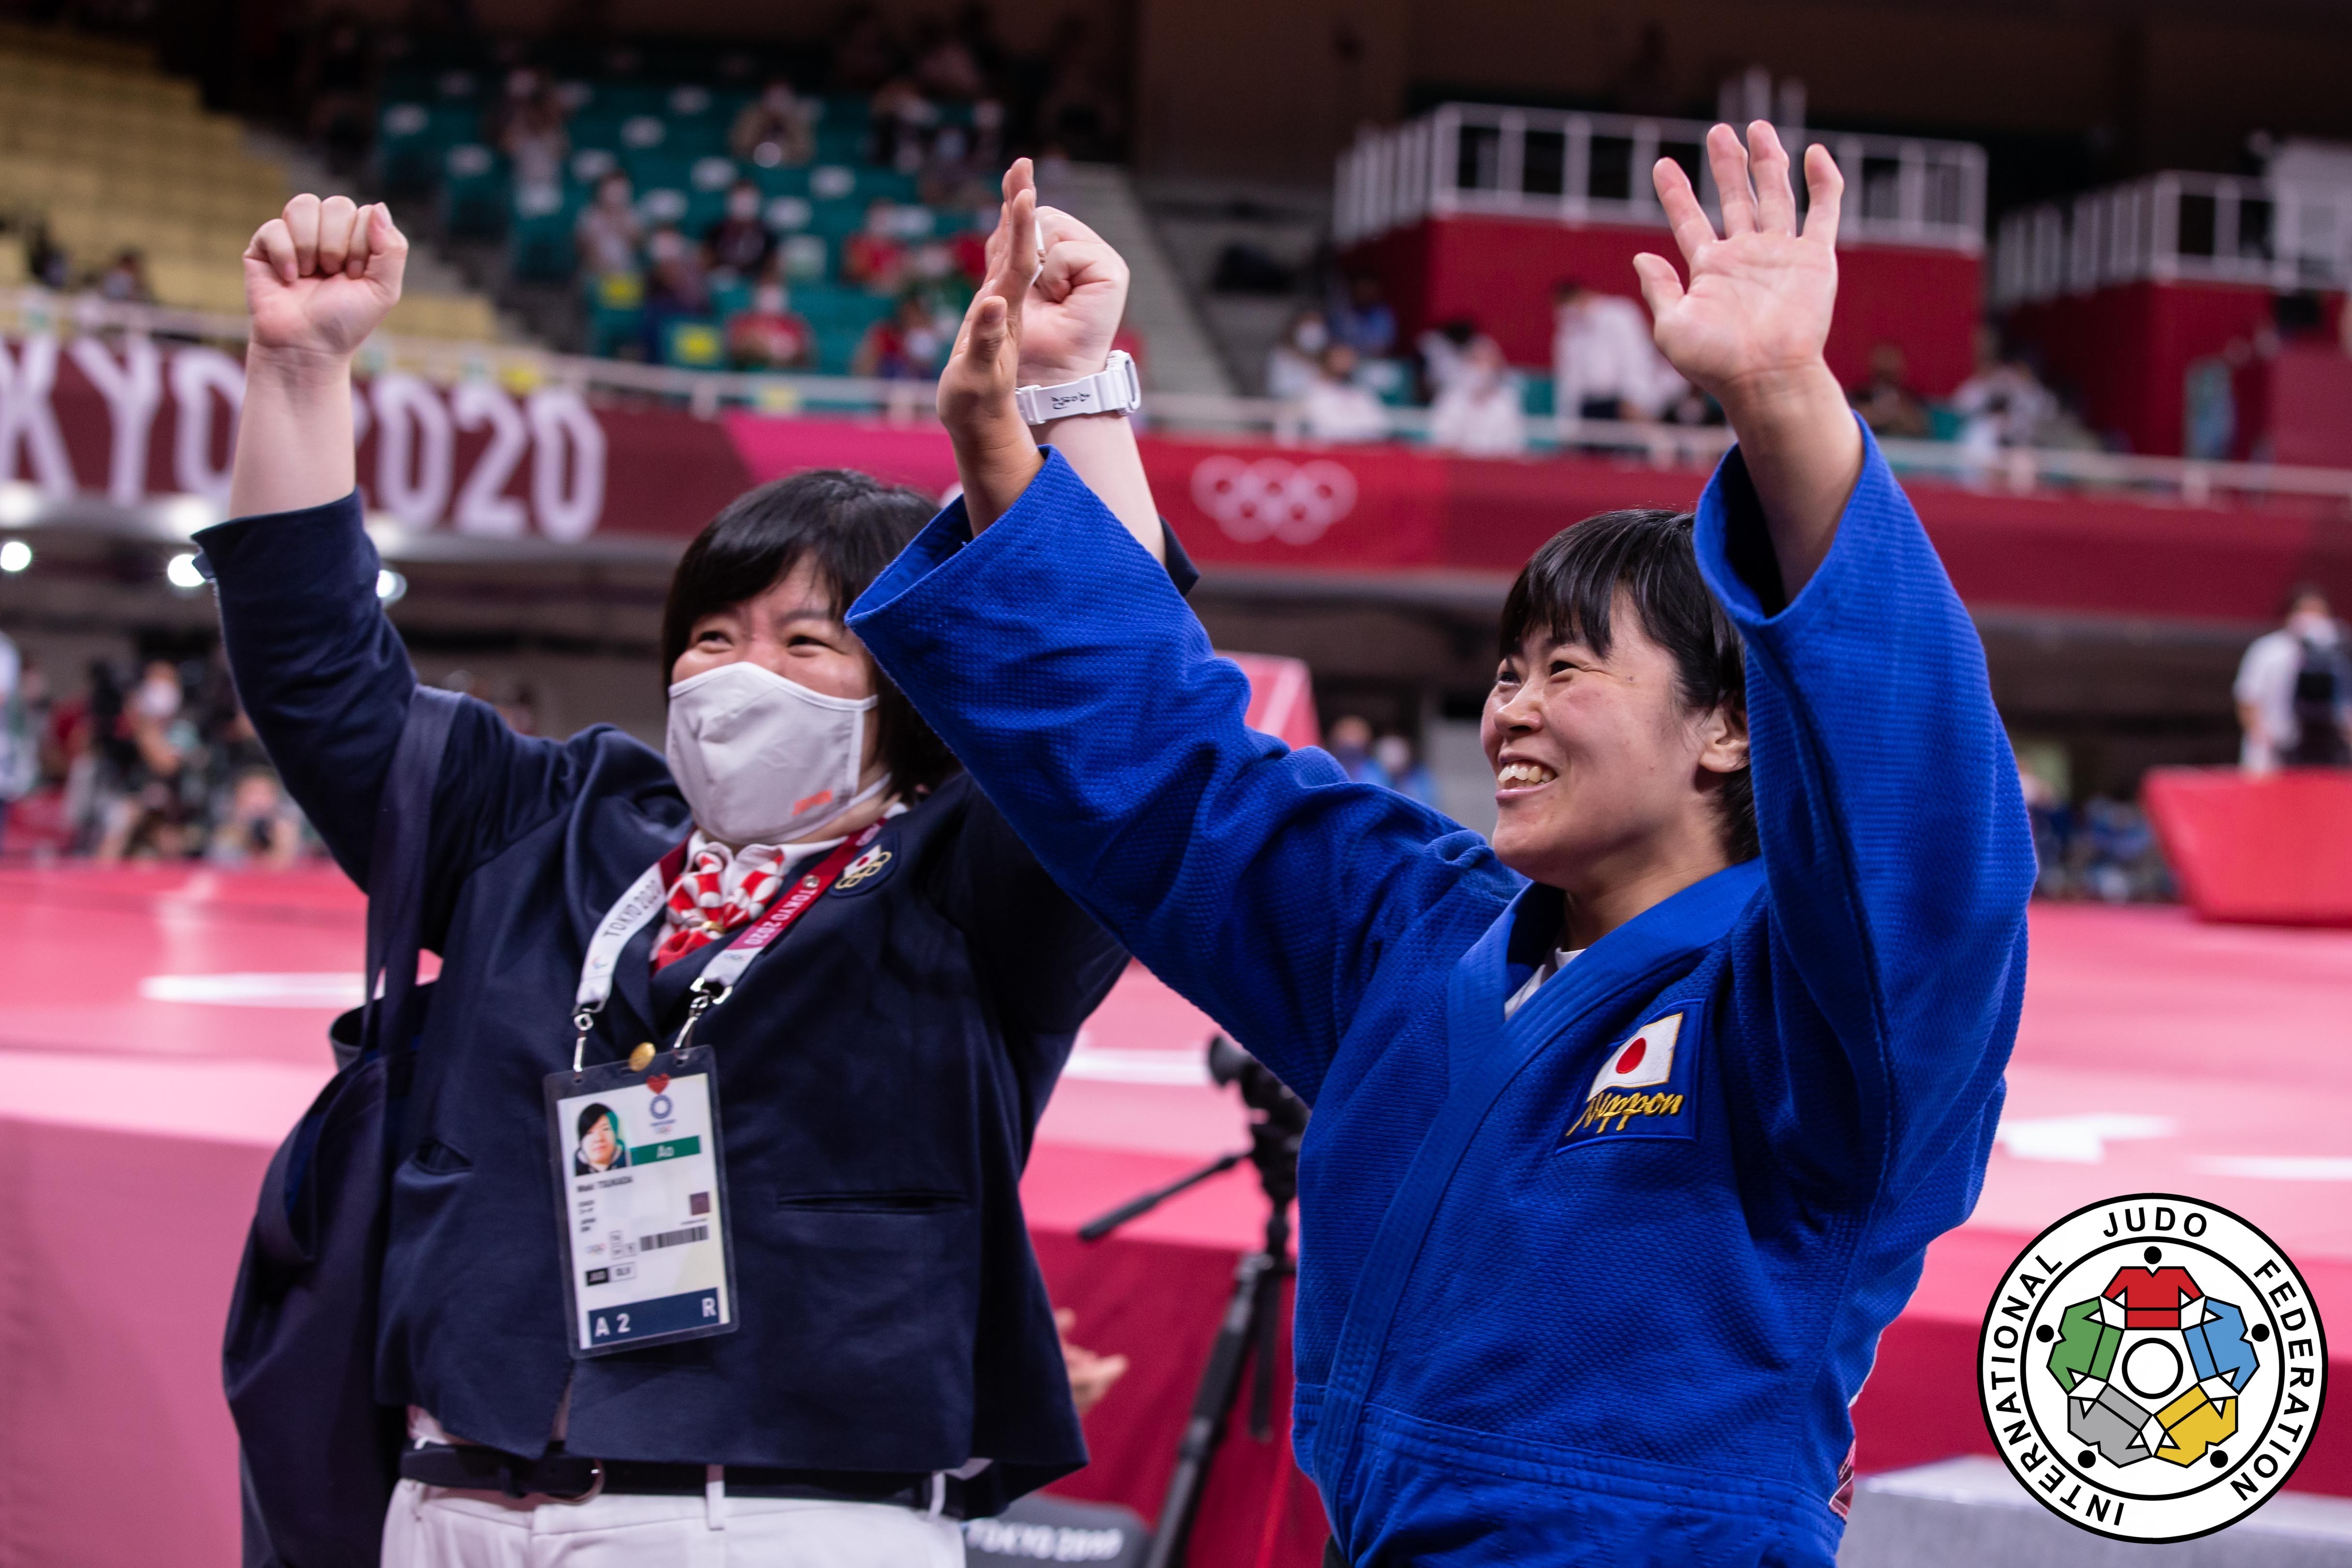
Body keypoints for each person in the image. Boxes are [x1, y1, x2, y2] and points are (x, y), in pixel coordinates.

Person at [856, 141, 2031, 1565]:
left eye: (1567, 670)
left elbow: (1921, 849)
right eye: (1505, 671)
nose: (1508, 712)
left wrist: (1783, 398)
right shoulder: (1419, 936)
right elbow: (1173, 778)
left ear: (1729, 727)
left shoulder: (1808, 1023)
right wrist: (1057, 410)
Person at [217, 189, 1181, 1564]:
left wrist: (1074, 393)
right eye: (712, 633)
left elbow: (1117, 704)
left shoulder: (978, 883)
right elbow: (317, 671)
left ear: (915, 684)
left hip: (776, 1519)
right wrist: (302, 368)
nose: (738, 674)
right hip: (455, 1498)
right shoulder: (543, 821)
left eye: (807, 644)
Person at [2234, 585, 2352, 771]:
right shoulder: (2269, 650)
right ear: (2292, 613)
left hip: (2320, 751)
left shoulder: (2336, 655)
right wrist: (2261, 740)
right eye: (2306, 610)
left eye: (2318, 611)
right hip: (2273, 749)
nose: (2312, 618)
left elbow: (2344, 705)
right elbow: (2247, 698)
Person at [1552, 276, 1683, 422]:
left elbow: (1636, 359)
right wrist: (1568, 425)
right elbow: (1569, 381)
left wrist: (1637, 399)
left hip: (1628, 401)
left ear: (1582, 296)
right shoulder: (1569, 332)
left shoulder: (1620, 315)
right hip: (1591, 406)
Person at [1428, 337, 1529, 457]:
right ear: (1466, 364)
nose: (1481, 369)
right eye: (1475, 361)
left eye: (1487, 362)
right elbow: (1442, 443)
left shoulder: (1507, 401)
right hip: (1459, 467)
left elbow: (1513, 449)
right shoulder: (1451, 398)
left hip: (1495, 470)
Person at [1300, 343, 1390, 443]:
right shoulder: (1315, 391)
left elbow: (1379, 424)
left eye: (1349, 358)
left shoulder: (1361, 391)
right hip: (1331, 450)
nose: (1346, 362)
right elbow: (1326, 428)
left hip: (1364, 448)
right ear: (1327, 360)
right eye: (1341, 358)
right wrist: (1358, 429)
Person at [727, 278, 815, 370]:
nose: (771, 298)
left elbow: (805, 355)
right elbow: (736, 352)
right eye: (766, 293)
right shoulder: (742, 322)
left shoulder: (795, 324)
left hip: (786, 375)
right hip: (750, 374)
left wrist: (781, 354)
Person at [1847, 339, 1929, 439]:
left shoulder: (1911, 397)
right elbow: (1849, 422)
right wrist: (1877, 414)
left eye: (1890, 359)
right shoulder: (1859, 394)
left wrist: (1897, 413)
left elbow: (1921, 428)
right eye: (1883, 359)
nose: (1886, 365)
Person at [729, 77, 816, 167]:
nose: (778, 101)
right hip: (753, 167)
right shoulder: (752, 115)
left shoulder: (797, 119)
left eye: (782, 98)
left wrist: (788, 122)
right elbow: (740, 147)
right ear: (765, 97)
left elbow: (805, 153)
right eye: (774, 96)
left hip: (787, 170)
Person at [702, 179, 773, 282]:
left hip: (755, 284)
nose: (744, 205)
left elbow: (773, 267)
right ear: (729, 201)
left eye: (748, 200)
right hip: (721, 284)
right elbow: (705, 264)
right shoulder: (715, 230)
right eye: (739, 199)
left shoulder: (768, 233)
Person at [1265, 307, 1329, 400]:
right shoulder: (1282, 356)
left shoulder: (1329, 361)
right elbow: (1280, 392)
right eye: (1308, 322)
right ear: (1297, 325)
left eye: (1316, 322)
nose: (1312, 329)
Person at [1329, 273, 1397, 357]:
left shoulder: (1383, 314)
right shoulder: (1342, 313)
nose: (1366, 294)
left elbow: (1384, 346)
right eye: (1362, 289)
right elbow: (1335, 343)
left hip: (1375, 362)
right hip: (1346, 362)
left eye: (1369, 289)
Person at [572, 1103, 630, 1175]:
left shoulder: (632, 1161)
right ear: (581, 1141)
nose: (599, 1138)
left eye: (606, 1129)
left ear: (616, 1135)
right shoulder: (571, 1172)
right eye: (589, 1132)